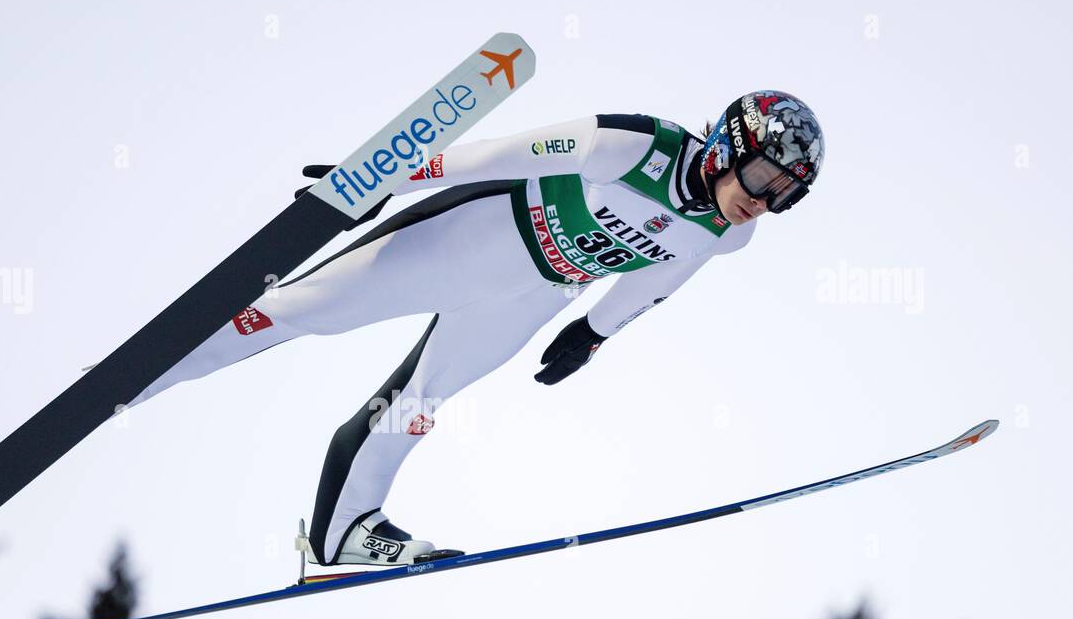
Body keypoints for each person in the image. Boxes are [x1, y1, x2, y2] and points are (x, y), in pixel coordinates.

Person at [131, 91, 825, 567]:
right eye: (765, 176)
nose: (762, 202)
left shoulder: (724, 236)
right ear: (732, 143)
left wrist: (595, 332)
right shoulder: (631, 146)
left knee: (420, 402)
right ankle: (142, 374)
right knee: (300, 310)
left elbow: (661, 274)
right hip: (468, 241)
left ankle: (344, 532)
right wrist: (376, 179)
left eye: (784, 196)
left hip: (530, 297)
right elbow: (493, 157)